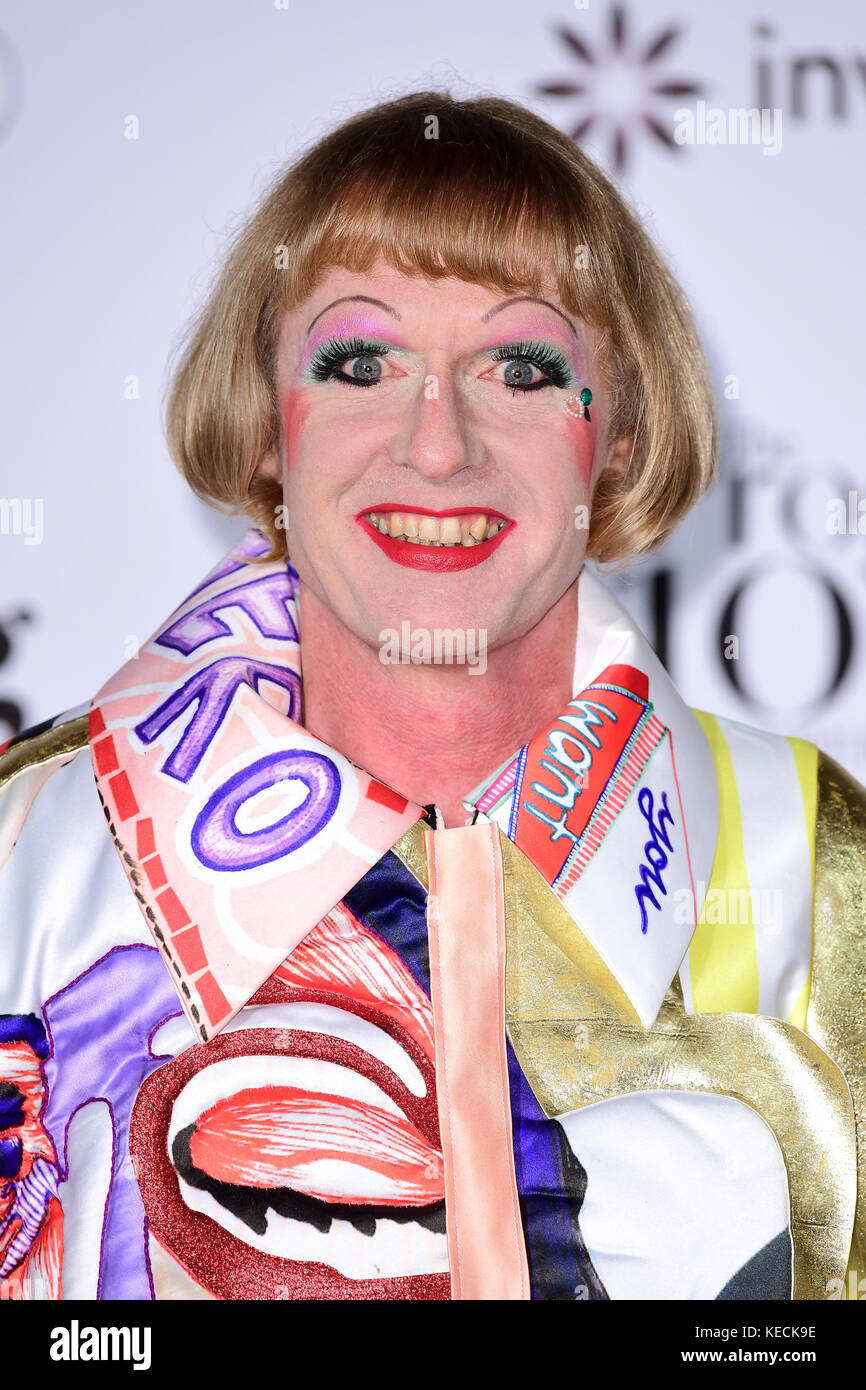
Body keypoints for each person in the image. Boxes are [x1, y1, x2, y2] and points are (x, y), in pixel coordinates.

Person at [1, 90, 863, 1303]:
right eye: (359, 361)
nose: (439, 443)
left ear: (612, 433)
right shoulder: (30, 854)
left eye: (520, 366)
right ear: (263, 427)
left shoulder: (808, 857)